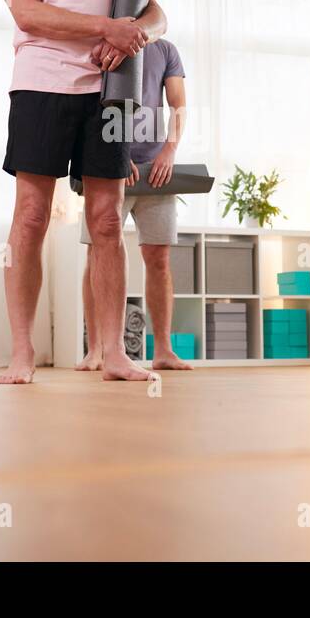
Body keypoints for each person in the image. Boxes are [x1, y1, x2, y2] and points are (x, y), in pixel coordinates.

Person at [0, 0, 168, 384]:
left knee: (107, 224)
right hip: (42, 86)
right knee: (31, 216)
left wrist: (130, 37)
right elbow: (28, 13)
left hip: (108, 93)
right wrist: (106, 27)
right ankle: (22, 351)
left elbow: (158, 16)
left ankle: (113, 351)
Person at [79, 37, 191, 371]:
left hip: (156, 169)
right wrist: (117, 153)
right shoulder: (102, 42)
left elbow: (178, 105)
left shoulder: (167, 50)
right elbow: (90, 99)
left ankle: (164, 350)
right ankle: (96, 349)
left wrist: (169, 151)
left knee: (158, 257)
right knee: (97, 252)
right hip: (109, 166)